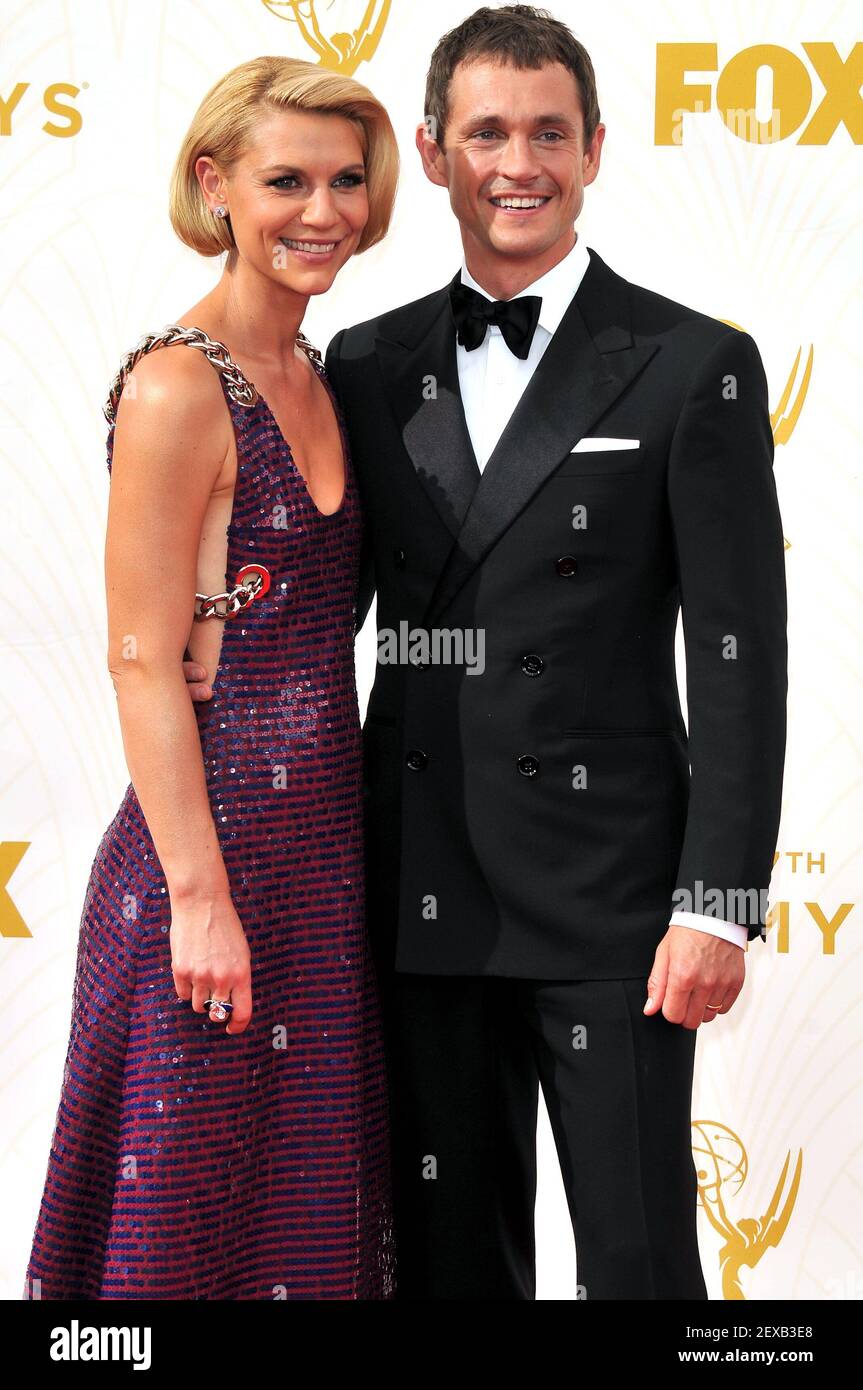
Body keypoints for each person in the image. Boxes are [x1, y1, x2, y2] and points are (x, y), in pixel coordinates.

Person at [184, 7, 788, 1299]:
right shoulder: (364, 357)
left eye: (547, 134)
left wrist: (715, 901)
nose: (517, 163)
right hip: (413, 883)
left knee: (636, 1260)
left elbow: (738, 651)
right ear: (434, 152)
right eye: (486, 133)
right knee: (448, 1263)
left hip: (616, 901)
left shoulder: (693, 364)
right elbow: (309, 592)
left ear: (595, 151)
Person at [24, 54, 398, 1301]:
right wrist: (197, 895)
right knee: (179, 1212)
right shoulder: (181, 384)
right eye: (285, 179)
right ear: (214, 184)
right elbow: (141, 660)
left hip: (320, 863)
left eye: (347, 179)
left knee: (293, 1220)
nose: (323, 211)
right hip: (210, 857)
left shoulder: (326, 376)